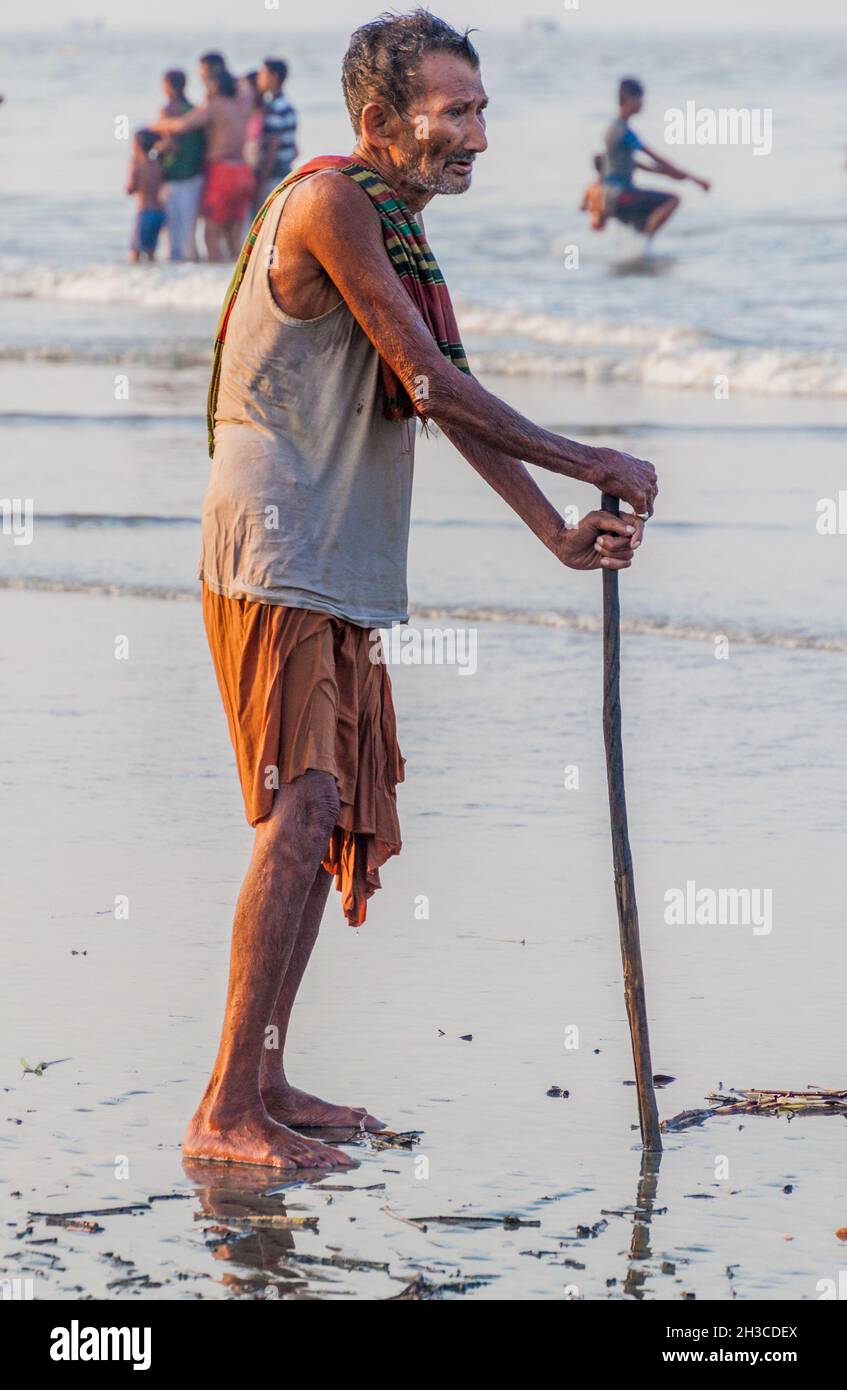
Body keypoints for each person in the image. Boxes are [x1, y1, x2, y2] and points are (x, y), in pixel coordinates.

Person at [188, 8, 657, 1172]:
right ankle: (222, 1112)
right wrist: (589, 459)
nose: (478, 137)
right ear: (378, 123)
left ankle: (266, 1078)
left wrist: (554, 529)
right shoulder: (332, 202)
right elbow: (431, 384)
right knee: (297, 815)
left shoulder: (392, 228)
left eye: (480, 110)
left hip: (337, 556)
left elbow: (439, 386)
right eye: (455, 112)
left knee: (321, 812)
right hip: (279, 544)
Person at [153, 56, 254, 261]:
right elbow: (245, 85)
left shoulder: (214, 106)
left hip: (222, 172)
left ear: (215, 84)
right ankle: (240, 285)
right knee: (234, 235)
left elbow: (182, 125)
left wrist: (155, 126)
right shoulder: (243, 102)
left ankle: (219, 286)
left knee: (211, 234)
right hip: (243, 171)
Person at [601, 77, 710, 238]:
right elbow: (656, 158)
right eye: (639, 99)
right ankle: (642, 248)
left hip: (611, 197)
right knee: (672, 200)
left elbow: (637, 165)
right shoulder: (624, 132)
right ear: (628, 99)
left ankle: (638, 253)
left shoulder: (614, 128)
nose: (642, 103)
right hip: (621, 195)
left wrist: (671, 175)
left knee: (643, 222)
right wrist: (695, 179)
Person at [158, 69, 206, 262]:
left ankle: (175, 274)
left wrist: (153, 149)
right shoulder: (194, 110)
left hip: (174, 177)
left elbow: (170, 145)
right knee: (189, 232)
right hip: (194, 176)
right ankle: (193, 270)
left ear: (168, 86)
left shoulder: (167, 111)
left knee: (173, 237)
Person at [254, 58, 299, 207]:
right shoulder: (287, 105)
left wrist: (261, 181)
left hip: (273, 175)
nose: (258, 78)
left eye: (262, 74)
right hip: (285, 172)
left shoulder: (274, 108)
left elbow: (273, 148)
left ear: (273, 77)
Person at [126, 128, 165, 263]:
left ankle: (137, 280)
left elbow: (130, 188)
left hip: (144, 211)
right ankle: (152, 278)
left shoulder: (137, 163)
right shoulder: (158, 163)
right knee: (151, 252)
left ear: (137, 145)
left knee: (135, 252)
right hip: (159, 212)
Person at [580, 153, 607, 231]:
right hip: (604, 227)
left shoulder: (590, 188)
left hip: (594, 226)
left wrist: (593, 208)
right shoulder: (612, 187)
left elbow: (582, 207)